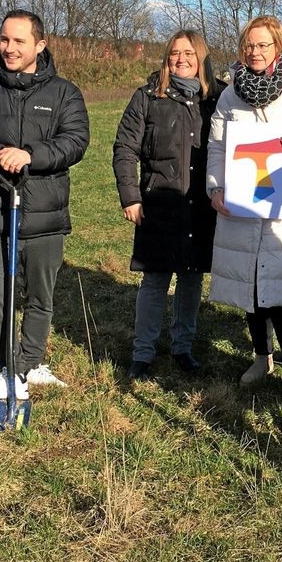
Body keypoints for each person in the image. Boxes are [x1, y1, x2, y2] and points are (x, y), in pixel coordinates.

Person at [0, 9, 89, 399]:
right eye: (4, 39)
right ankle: (6, 369)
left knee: (39, 295)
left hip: (45, 215)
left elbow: (75, 140)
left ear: (40, 45)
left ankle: (30, 363)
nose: (8, 48)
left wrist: (30, 155)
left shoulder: (64, 93)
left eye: (19, 41)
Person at [206, 16, 282, 407]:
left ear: (279, 48)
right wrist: (215, 188)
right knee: (250, 287)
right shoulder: (229, 96)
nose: (255, 52)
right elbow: (215, 148)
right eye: (249, 46)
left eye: (263, 46)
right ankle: (262, 358)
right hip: (241, 204)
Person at [112, 30, 222, 380]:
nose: (181, 59)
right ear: (166, 58)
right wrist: (131, 196)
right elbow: (125, 149)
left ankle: (182, 348)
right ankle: (142, 353)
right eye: (175, 53)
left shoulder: (217, 99)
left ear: (201, 57)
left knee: (191, 280)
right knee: (155, 280)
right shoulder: (147, 97)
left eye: (189, 53)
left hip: (200, 206)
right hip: (158, 203)